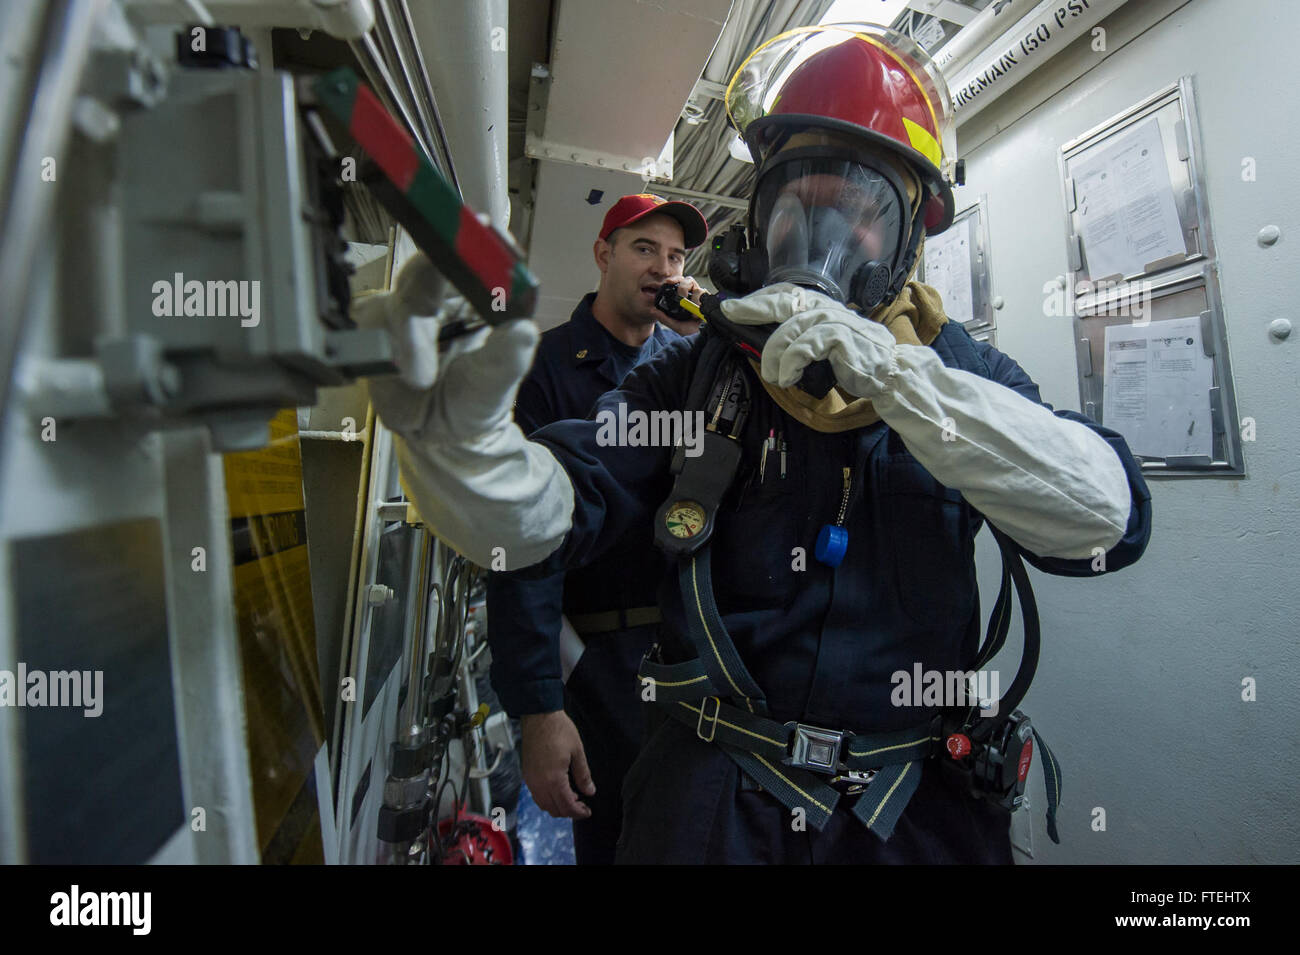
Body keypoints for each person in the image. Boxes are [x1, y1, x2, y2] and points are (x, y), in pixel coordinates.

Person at [357, 24, 1152, 863]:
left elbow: (1107, 517)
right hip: (709, 802)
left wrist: (899, 382)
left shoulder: (963, 375)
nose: (822, 234)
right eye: (798, 201)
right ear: (759, 217)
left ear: (912, 235)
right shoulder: (702, 375)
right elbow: (560, 499)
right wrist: (465, 454)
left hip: (908, 816)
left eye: (860, 208)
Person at [486, 194, 707, 865]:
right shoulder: (544, 368)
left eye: (675, 256)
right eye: (644, 248)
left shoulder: (695, 364)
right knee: (612, 838)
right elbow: (518, 532)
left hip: (690, 652)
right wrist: (539, 707)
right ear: (603, 253)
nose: (662, 268)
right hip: (593, 656)